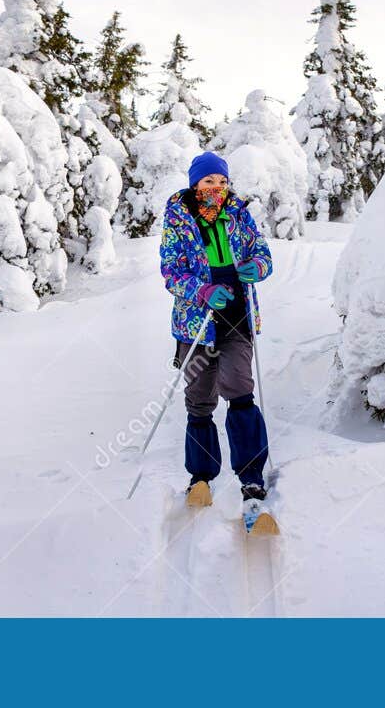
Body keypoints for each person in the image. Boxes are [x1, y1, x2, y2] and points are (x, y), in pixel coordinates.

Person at [159, 151, 277, 532]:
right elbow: (170, 270)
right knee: (200, 397)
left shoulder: (240, 215)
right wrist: (202, 289)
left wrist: (256, 267)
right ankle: (201, 478)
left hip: (237, 317)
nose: (217, 188)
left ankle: (252, 479)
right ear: (196, 184)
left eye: (222, 182)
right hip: (196, 323)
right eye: (209, 182)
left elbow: (263, 254)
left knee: (239, 389)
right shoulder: (178, 218)